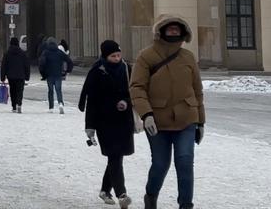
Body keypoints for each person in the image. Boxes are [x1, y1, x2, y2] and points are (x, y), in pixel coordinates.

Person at [130, 15, 204, 209]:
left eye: (177, 29)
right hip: (157, 121)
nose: (173, 32)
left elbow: (197, 91)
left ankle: (186, 205)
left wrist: (201, 121)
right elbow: (137, 88)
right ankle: (151, 196)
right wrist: (146, 114)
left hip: (187, 118)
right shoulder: (146, 56)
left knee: (185, 161)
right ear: (160, 31)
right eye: (169, 28)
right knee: (161, 164)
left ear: (183, 32)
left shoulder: (188, 57)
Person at [79, 40, 135, 208]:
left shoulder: (127, 68)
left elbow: (134, 91)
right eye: (113, 56)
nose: (117, 58)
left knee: (116, 157)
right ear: (105, 56)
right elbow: (92, 100)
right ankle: (122, 194)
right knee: (114, 156)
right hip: (105, 122)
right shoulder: (97, 71)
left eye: (119, 55)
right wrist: (90, 126)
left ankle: (105, 190)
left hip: (123, 120)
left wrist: (126, 102)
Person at [39, 36, 73, 114]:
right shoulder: (59, 52)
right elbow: (69, 61)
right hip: (58, 74)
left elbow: (42, 63)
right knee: (58, 90)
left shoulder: (45, 52)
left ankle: (51, 107)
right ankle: (60, 103)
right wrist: (67, 71)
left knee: (50, 91)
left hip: (49, 74)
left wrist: (43, 73)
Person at [0, 36, 31, 113]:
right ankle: (19, 104)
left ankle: (14, 106)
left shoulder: (7, 53)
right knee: (20, 91)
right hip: (21, 75)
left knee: (13, 90)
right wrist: (27, 76)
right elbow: (27, 65)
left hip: (11, 76)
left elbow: (4, 65)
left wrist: (2, 77)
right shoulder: (23, 53)